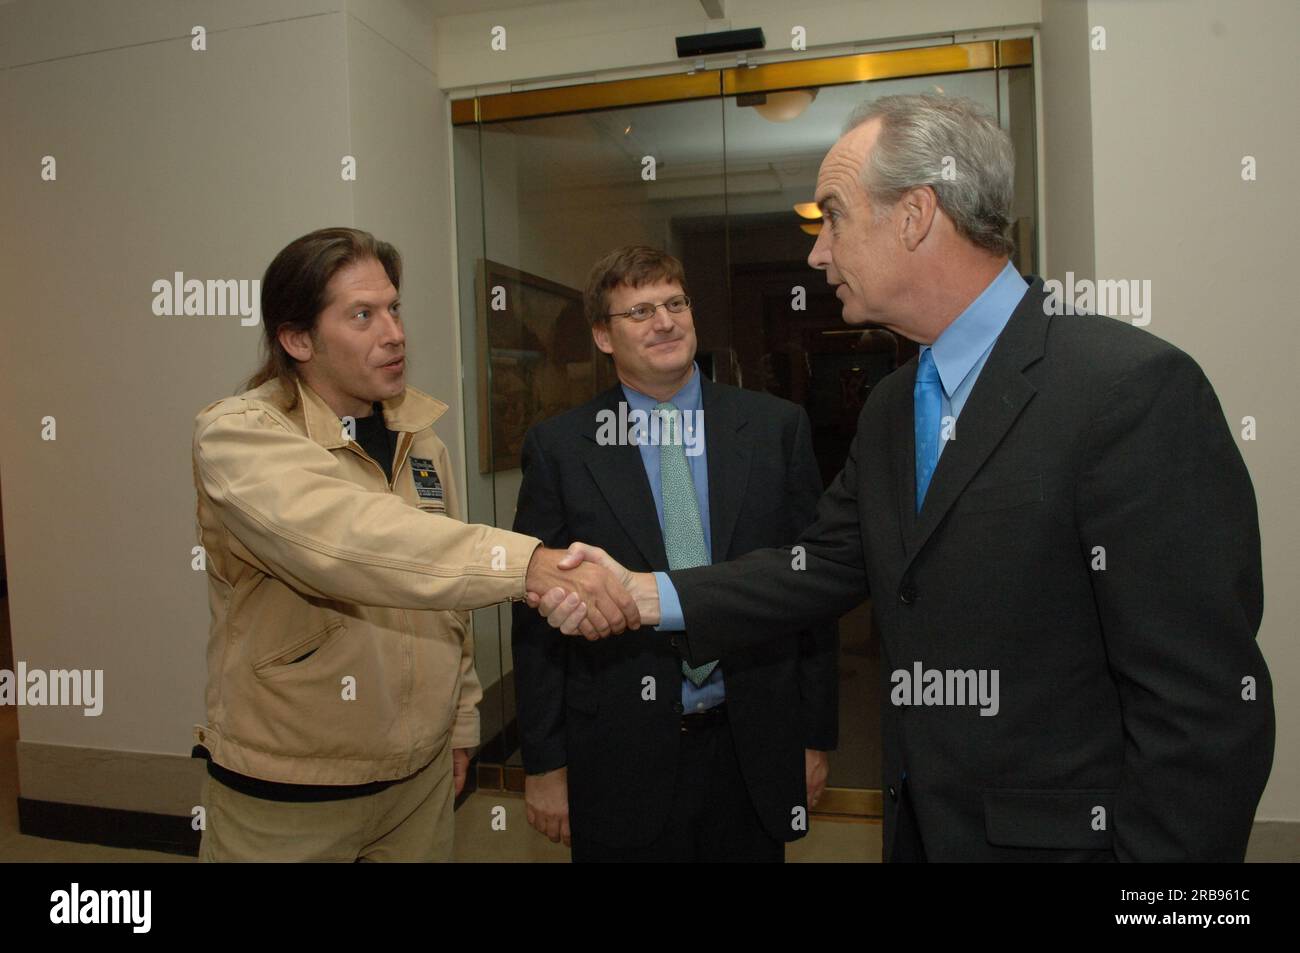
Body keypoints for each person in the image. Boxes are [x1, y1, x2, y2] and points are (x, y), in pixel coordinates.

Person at [530, 95, 1275, 862]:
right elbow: (821, 563)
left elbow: (1202, 712)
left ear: (915, 214)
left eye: (834, 216)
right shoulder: (892, 405)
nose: (817, 253)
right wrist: (645, 593)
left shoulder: (1128, 390)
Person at [191, 227, 636, 862]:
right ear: (297, 339)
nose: (394, 332)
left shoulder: (420, 441)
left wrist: (458, 724)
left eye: (394, 308)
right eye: (362, 315)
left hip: (417, 780)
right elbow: (348, 541)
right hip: (293, 786)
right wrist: (532, 566)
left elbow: (442, 596)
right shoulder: (238, 436)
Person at [512, 246, 838, 862]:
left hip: (753, 747)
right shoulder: (560, 449)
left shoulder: (775, 429)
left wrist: (813, 735)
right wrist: (545, 764)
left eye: (675, 303)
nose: (664, 322)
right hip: (617, 754)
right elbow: (535, 618)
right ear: (603, 337)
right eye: (639, 311)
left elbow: (810, 592)